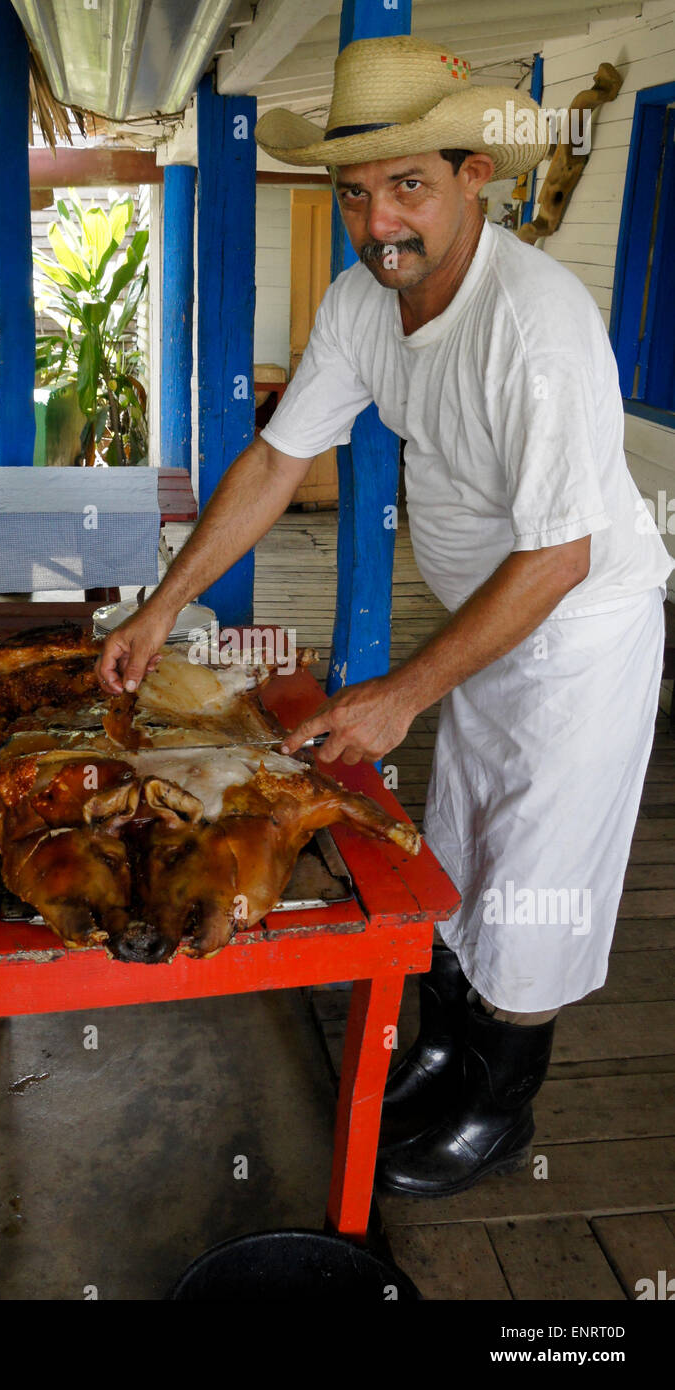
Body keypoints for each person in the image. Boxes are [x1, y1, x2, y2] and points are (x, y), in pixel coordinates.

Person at [98, 36, 673, 1198]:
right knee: (457, 845)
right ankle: (443, 1059)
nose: (376, 222)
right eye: (353, 193)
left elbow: (559, 554)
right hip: (483, 623)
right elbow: (274, 459)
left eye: (406, 184)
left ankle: (496, 1113)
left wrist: (402, 689)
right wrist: (165, 604)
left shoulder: (537, 324)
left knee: (537, 872)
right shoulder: (366, 301)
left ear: (476, 175)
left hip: (578, 630)